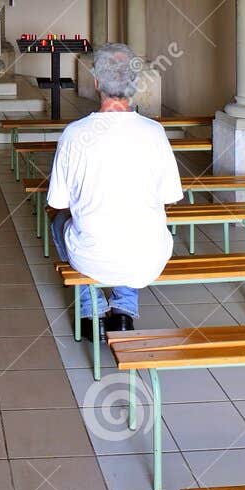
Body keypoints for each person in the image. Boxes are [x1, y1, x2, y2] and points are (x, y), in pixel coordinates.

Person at [46, 42, 184, 334]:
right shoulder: (155, 133)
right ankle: (123, 309)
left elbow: (58, 203)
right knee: (139, 218)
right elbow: (170, 198)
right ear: (135, 83)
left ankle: (90, 306)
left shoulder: (74, 135)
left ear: (96, 83)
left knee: (57, 221)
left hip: (91, 256)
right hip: (147, 258)